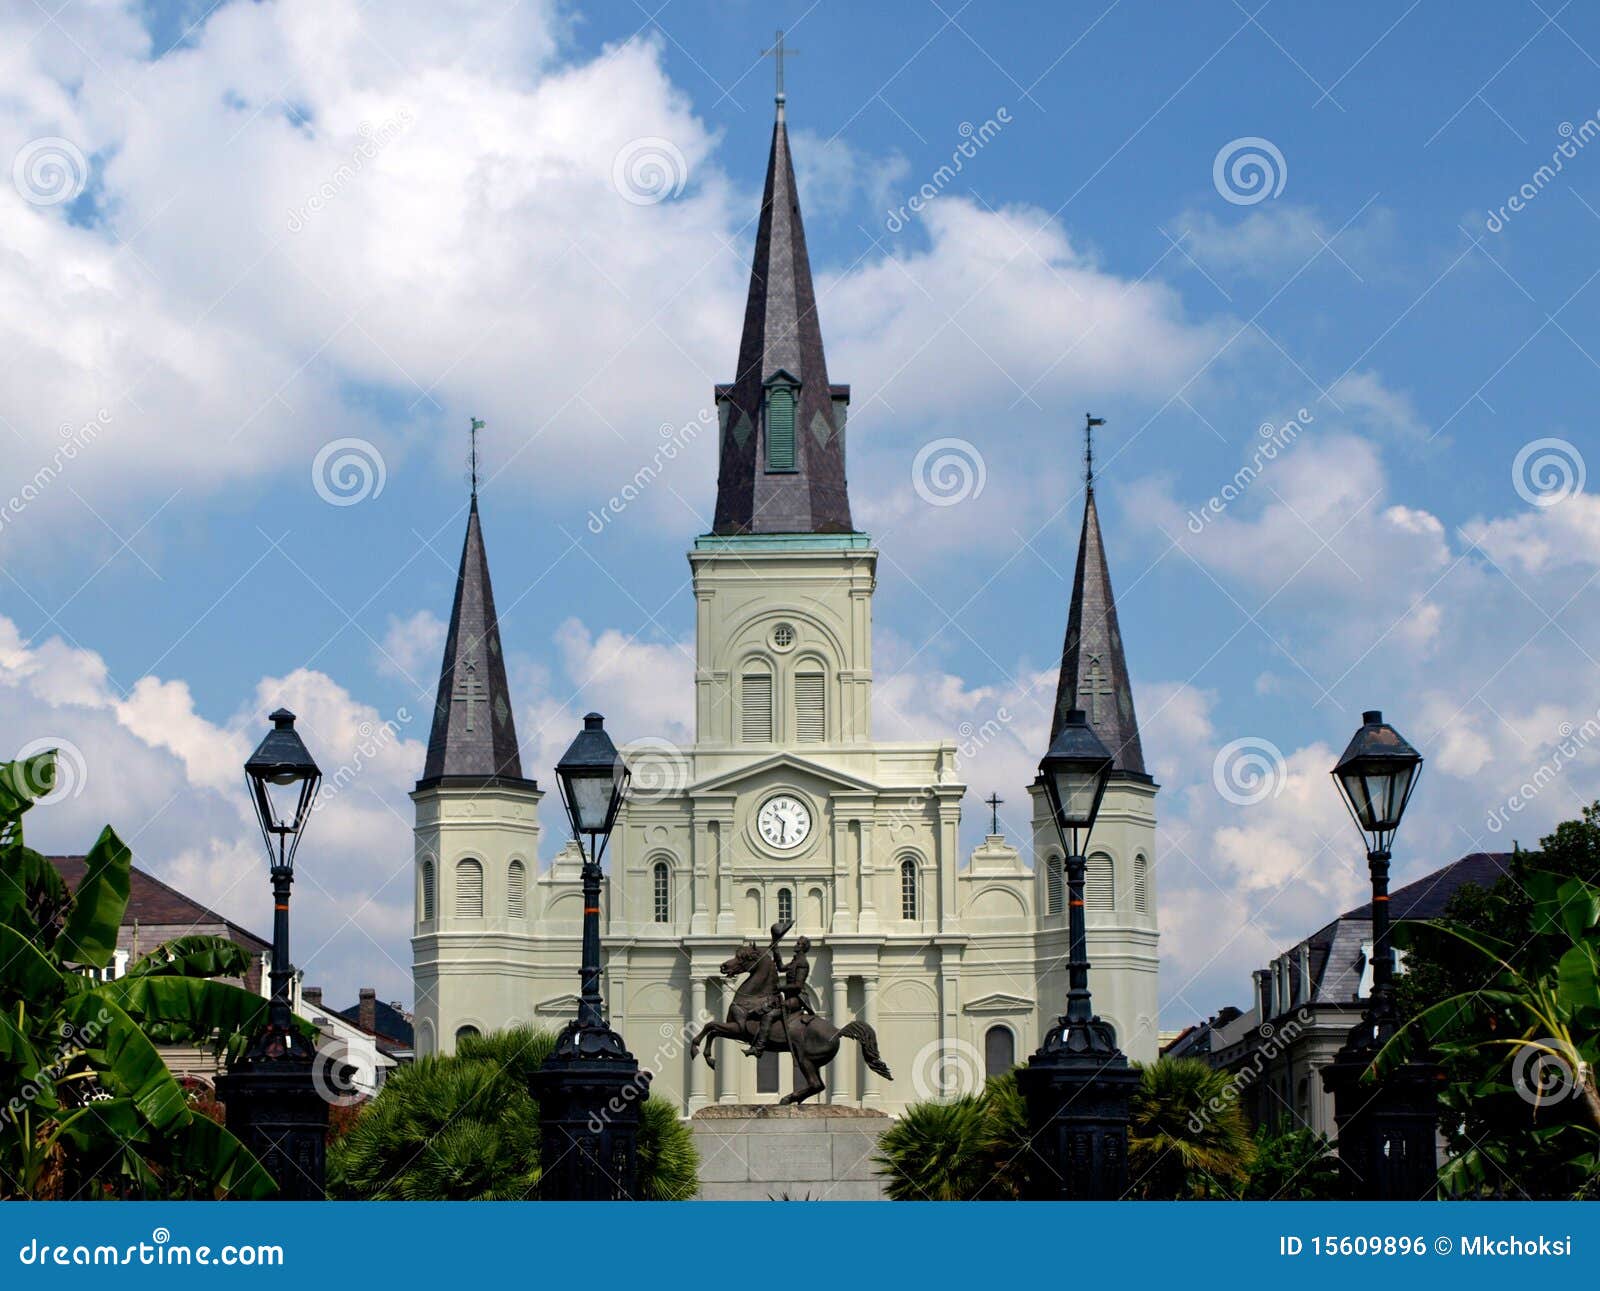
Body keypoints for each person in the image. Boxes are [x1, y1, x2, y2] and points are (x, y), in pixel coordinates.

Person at [747, 935, 814, 1058]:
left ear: (803, 948)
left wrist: (781, 988)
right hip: (789, 997)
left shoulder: (803, 963)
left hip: (797, 999)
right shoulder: (795, 961)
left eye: (799, 944)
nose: (796, 945)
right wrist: (776, 950)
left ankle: (759, 1048)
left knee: (769, 1015)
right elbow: (781, 968)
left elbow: (798, 986)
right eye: (797, 943)